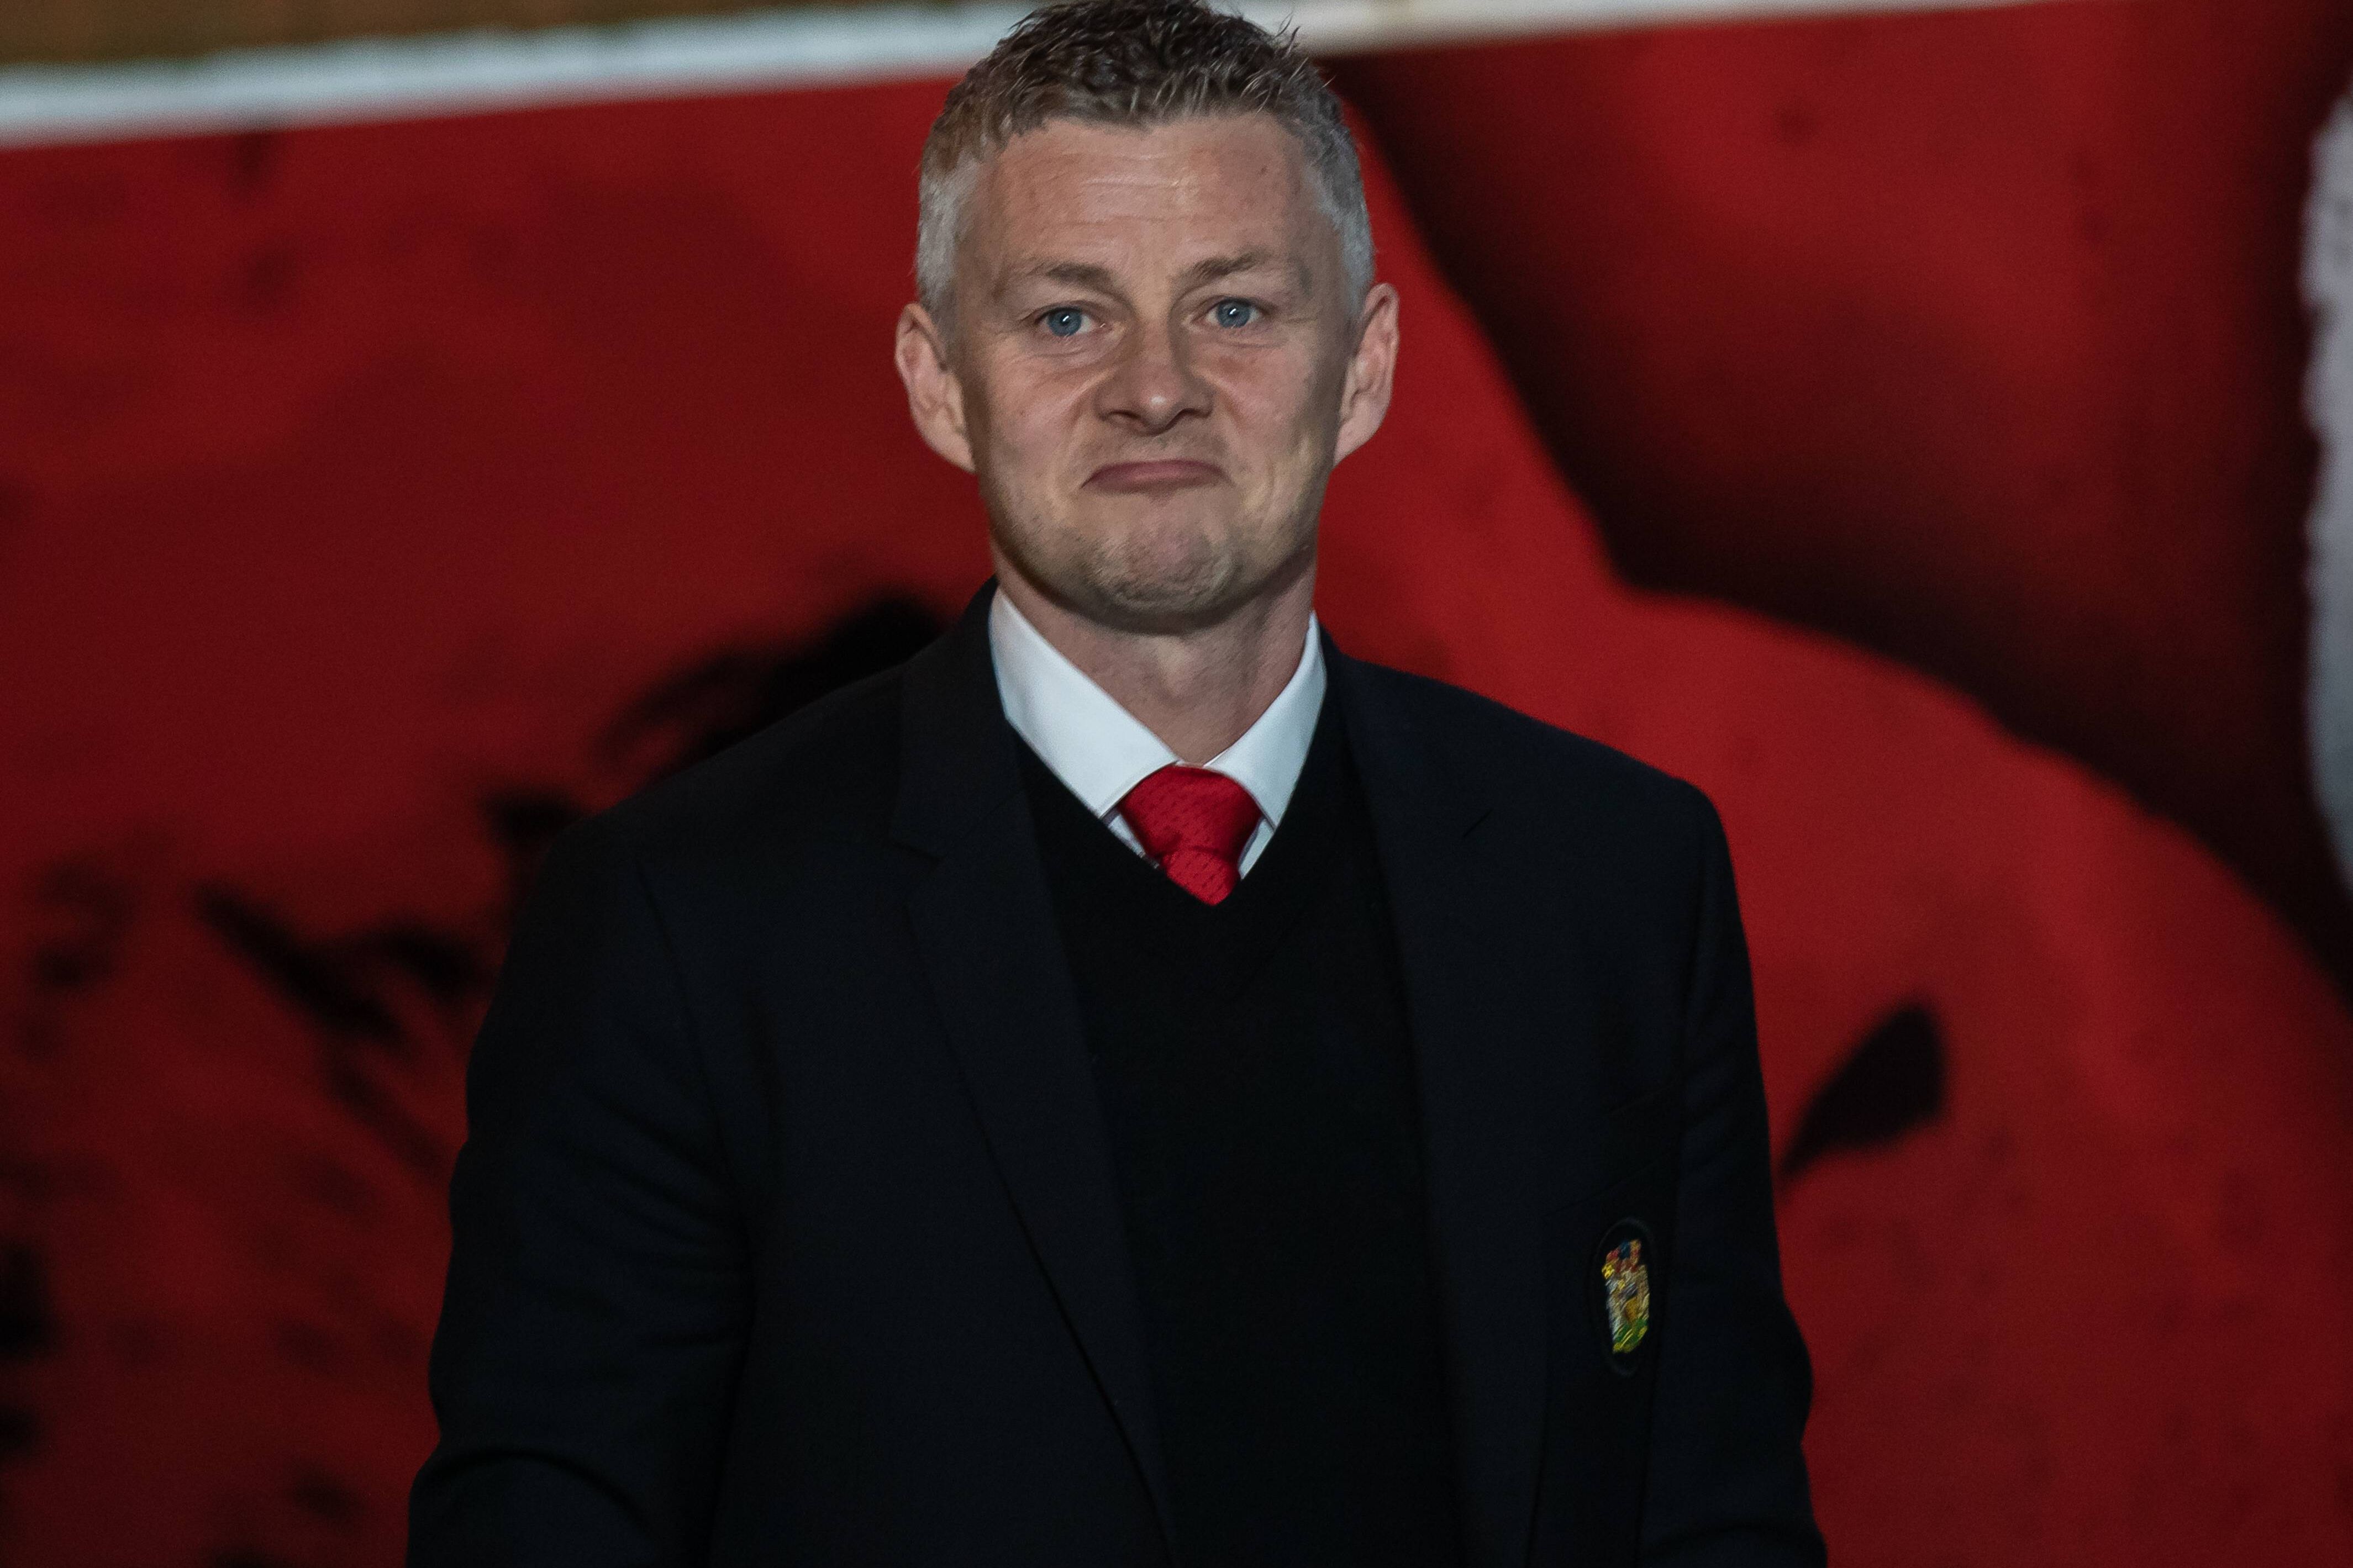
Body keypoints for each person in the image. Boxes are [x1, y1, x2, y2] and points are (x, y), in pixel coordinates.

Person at [406, 2, 1823, 1563]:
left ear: (1362, 368)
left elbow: (1717, 1518)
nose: (1157, 386)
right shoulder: (681, 930)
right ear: (939, 383)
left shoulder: (1616, 881)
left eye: (1234, 307)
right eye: (1069, 318)